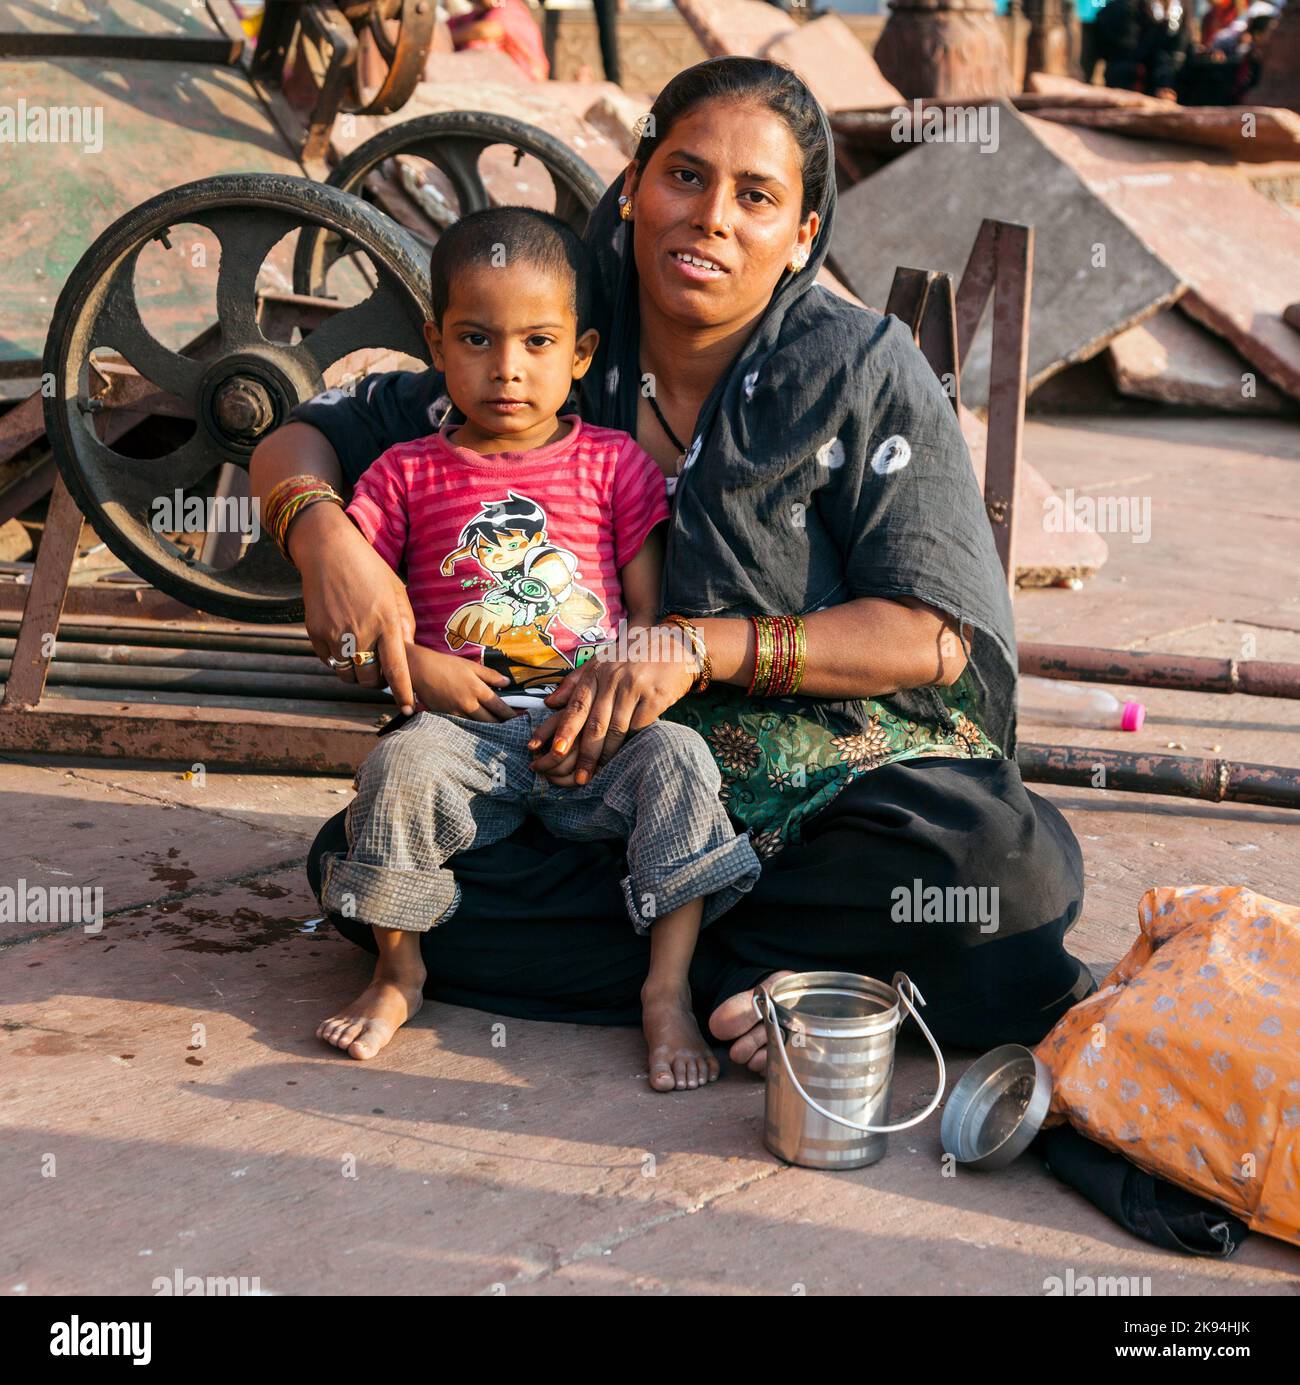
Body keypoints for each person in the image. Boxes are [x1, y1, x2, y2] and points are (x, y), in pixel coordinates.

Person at [250, 57, 1092, 1077]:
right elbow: (313, 432)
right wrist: (322, 534)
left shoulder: (854, 367)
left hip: (826, 779)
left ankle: (698, 965)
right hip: (586, 771)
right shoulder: (553, 334)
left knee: (1001, 875)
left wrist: (694, 648)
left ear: (803, 237)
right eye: (685, 176)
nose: (711, 218)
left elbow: (927, 630)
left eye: (756, 196)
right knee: (355, 863)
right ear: (633, 185)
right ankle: (787, 976)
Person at [284, 206, 760, 1087]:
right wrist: (415, 671)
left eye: (538, 343)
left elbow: (653, 616)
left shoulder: (612, 464)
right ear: (435, 342)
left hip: (597, 730)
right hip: (465, 731)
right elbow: (355, 627)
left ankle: (666, 989)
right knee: (395, 771)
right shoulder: (403, 473)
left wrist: (627, 689)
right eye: (476, 339)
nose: (507, 370)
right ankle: (399, 972)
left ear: (579, 354)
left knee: (686, 762)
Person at [448, 0, 549, 82]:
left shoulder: (510, 6)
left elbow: (489, 30)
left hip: (525, 77)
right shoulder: (473, 16)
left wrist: (450, 37)